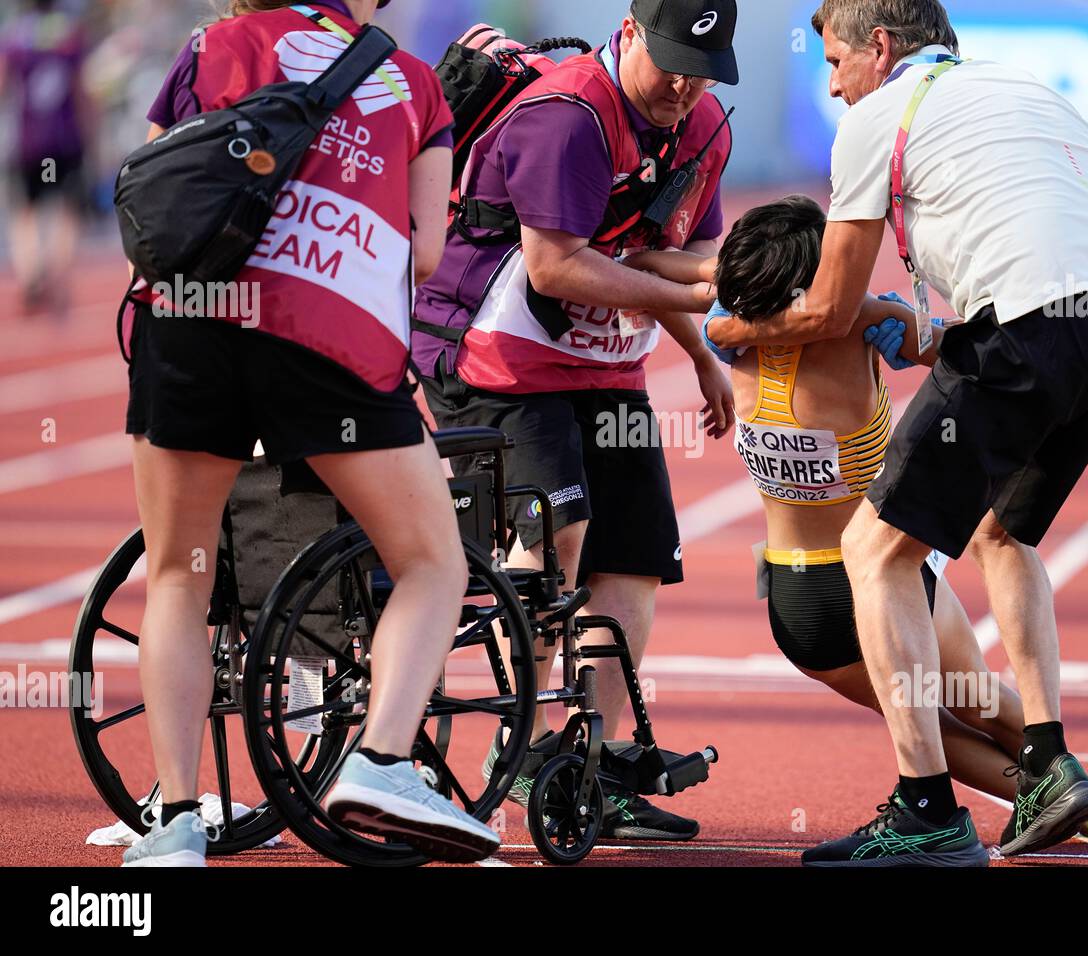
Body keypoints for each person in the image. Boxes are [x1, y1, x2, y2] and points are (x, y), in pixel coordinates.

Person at [707, 0, 1088, 865]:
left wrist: (734, 331)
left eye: (837, 60)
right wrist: (922, 332)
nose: (832, 82)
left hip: (1032, 324)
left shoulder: (878, 118)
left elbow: (833, 307)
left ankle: (926, 810)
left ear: (880, 49)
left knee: (877, 551)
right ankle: (1049, 759)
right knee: (1002, 531)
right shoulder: (1022, 88)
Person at [633, 196, 1088, 864]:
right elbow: (970, 359)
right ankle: (1081, 796)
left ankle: (1063, 804)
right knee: (980, 700)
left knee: (927, 724)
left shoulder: (725, 327)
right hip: (893, 574)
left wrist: (640, 256)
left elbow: (668, 269)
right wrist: (897, 320)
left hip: (803, 602)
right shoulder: (861, 323)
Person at [120, 0, 499, 866]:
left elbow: (148, 184)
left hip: (193, 321)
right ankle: (379, 762)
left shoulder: (212, 45)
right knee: (432, 560)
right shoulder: (414, 86)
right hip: (329, 333)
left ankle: (177, 826)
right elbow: (429, 253)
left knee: (179, 575)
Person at [415, 0, 739, 842]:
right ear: (628, 32)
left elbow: (671, 252)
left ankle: (588, 762)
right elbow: (555, 267)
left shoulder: (703, 127)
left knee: (633, 556)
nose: (682, 84)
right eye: (668, 58)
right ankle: (514, 747)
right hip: (493, 350)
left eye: (701, 69)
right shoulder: (569, 114)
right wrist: (694, 298)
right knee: (561, 532)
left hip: (601, 362)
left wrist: (705, 348)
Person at [0, 0, 91, 320]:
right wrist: (91, 132)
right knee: (65, 210)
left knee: (25, 212)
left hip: (28, 144)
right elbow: (81, 90)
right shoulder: (70, 32)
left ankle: (31, 271)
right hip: (64, 143)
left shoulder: (15, 34)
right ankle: (57, 275)